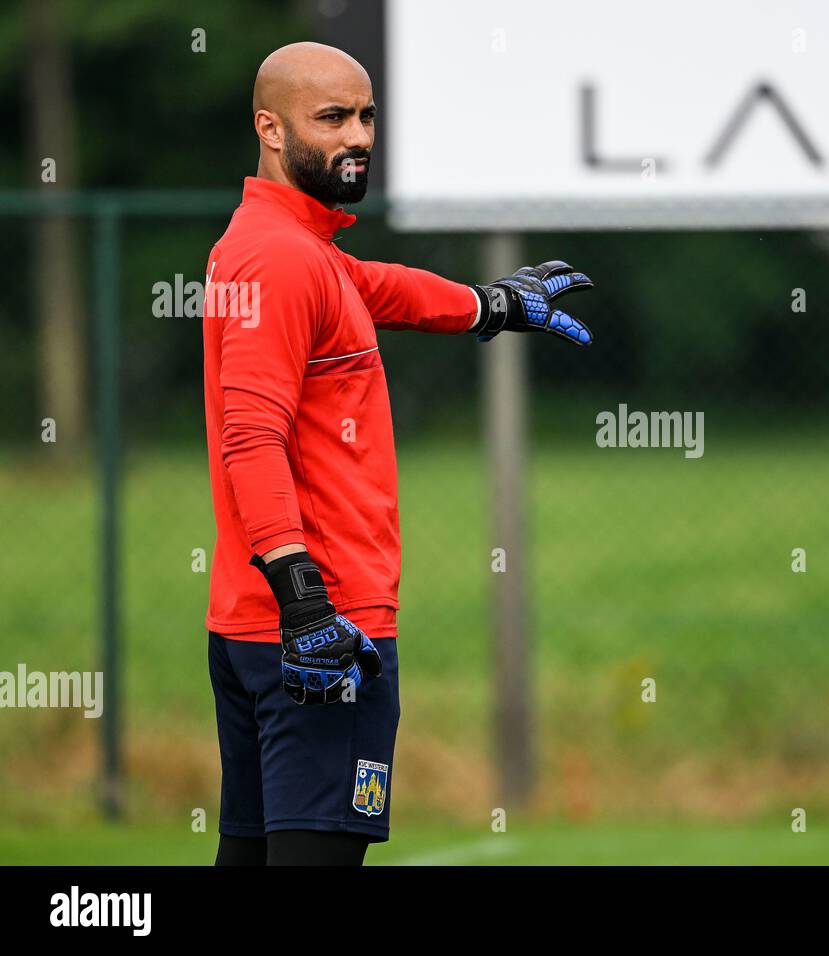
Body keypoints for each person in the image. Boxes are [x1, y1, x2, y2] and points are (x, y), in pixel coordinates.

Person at [202, 41, 594, 865]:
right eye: (332, 118)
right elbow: (251, 438)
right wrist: (305, 600)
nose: (359, 137)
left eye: (368, 116)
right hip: (320, 627)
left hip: (254, 625)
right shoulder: (280, 257)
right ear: (271, 130)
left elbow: (376, 287)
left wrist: (488, 305)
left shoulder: (288, 246)